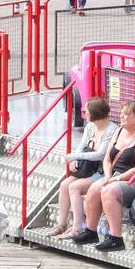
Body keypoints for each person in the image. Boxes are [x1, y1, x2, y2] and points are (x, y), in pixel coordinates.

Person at [75, 101, 135, 251]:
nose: (121, 116)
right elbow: (107, 159)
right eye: (121, 113)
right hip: (117, 175)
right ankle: (91, 231)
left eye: (126, 114)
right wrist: (108, 176)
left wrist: (115, 180)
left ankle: (116, 238)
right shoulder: (119, 130)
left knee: (109, 190)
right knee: (95, 188)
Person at [46, 98, 117, 238]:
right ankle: (62, 224)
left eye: (87, 110)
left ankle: (77, 228)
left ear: (95, 113)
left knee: (74, 187)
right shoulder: (90, 126)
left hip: (103, 171)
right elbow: (82, 145)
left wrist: (77, 155)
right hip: (88, 168)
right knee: (65, 184)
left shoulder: (111, 130)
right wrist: (75, 159)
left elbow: (100, 154)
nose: (85, 113)